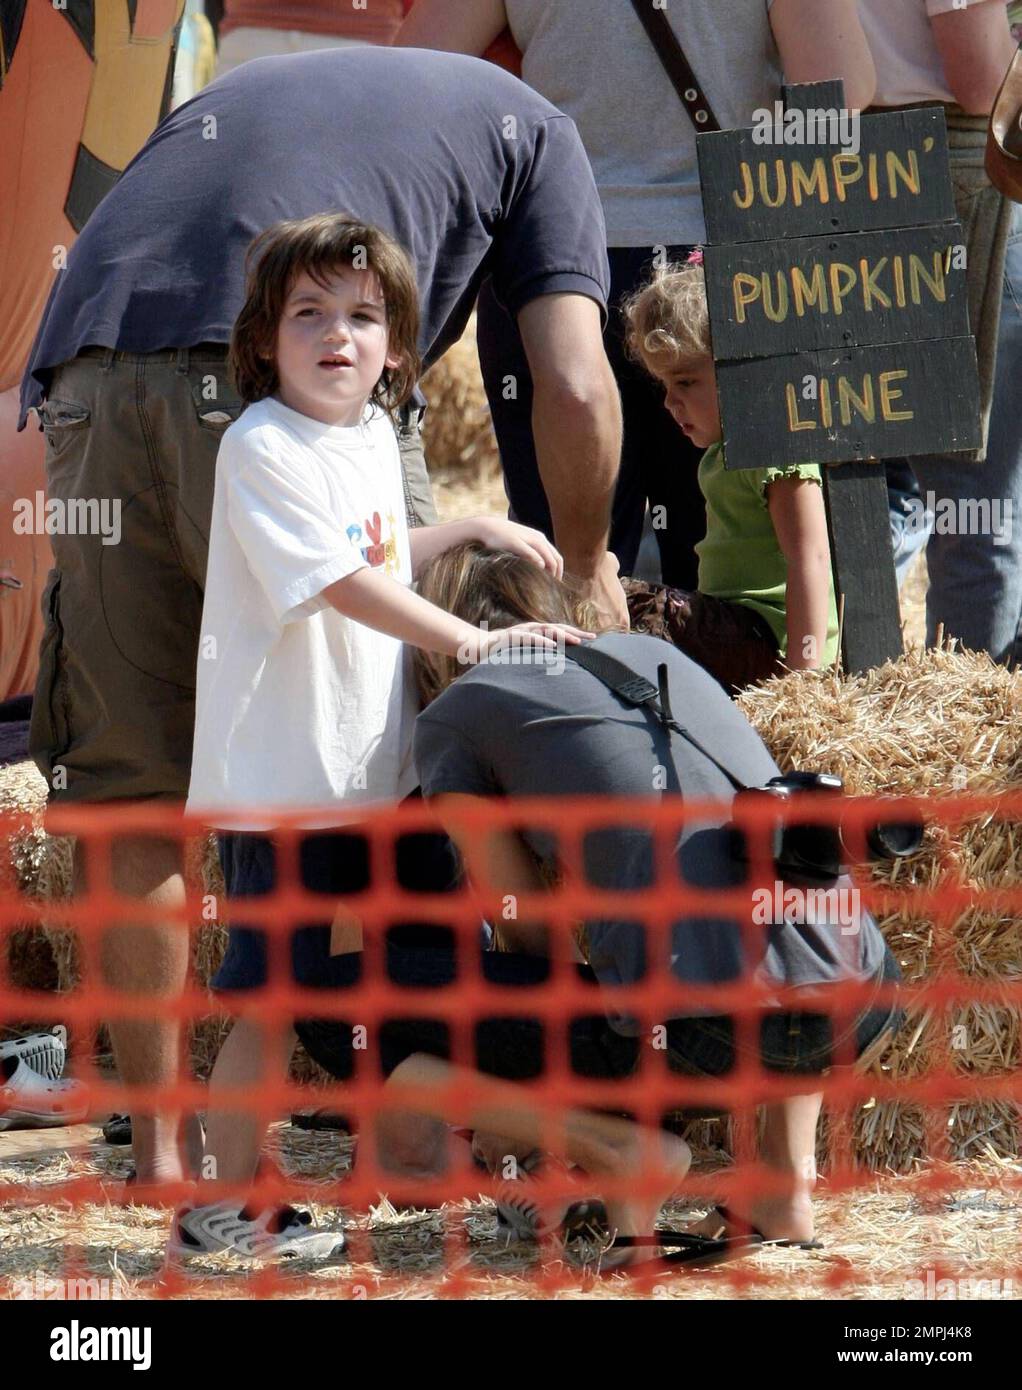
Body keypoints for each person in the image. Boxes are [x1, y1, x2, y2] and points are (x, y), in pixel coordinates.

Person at [19, 45, 627, 1187]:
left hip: (89, 349)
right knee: (407, 751)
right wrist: (586, 565)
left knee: (124, 783)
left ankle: (162, 1153)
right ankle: (422, 1108)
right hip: (269, 392)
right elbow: (578, 382)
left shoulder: (287, 89)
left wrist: (465, 533)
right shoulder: (542, 131)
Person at [173, 213, 594, 1257]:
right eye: (307, 312)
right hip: (290, 784)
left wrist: (471, 527)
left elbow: (378, 547)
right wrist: (472, 640)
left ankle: (427, 1161)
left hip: (379, 775)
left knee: (432, 965)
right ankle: (219, 1208)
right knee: (272, 995)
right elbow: (335, 578)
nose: (337, 335)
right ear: (264, 338)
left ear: (399, 346)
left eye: (362, 316)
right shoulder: (256, 445)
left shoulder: (367, 437)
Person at [408, 541, 903, 1249]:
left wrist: (517, 1100)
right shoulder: (648, 653)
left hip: (701, 1032)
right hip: (866, 993)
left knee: (464, 998)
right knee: (771, 904)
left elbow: (526, 927)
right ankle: (783, 1192)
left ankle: (598, 1170)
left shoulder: (454, 716)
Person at [397, 0, 877, 588]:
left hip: (552, 258)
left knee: (562, 575)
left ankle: (578, 679)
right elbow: (840, 93)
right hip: (719, 260)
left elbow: (411, 77)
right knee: (722, 574)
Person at [858, 0, 1021, 659]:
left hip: (847, 177)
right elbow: (981, 78)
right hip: (954, 181)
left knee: (874, 486)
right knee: (976, 511)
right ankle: (969, 737)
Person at [619, 257, 839, 693]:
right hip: (734, 627)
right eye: (664, 386)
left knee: (633, 606)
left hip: (768, 641)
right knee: (601, 597)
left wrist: (803, 683)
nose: (669, 403)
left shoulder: (774, 447)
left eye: (684, 383)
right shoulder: (721, 453)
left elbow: (808, 557)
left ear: (741, 370)